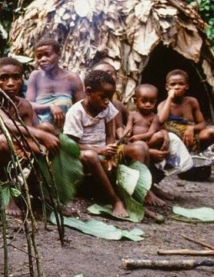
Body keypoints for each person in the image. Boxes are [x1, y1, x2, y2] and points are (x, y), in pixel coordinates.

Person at [63, 70, 165, 219]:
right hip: (85, 154)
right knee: (91, 156)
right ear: (89, 91)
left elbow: (110, 135)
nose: (106, 101)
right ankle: (115, 200)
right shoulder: (76, 112)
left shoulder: (107, 106)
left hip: (104, 151)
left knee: (140, 147)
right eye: (103, 97)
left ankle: (140, 194)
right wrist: (100, 150)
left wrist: (110, 154)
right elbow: (71, 145)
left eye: (109, 97)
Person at [0, 58, 60, 208]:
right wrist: (42, 139)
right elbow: (6, 124)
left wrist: (45, 142)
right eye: (4, 78)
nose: (11, 83)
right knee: (3, 141)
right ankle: (6, 193)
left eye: (16, 77)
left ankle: (34, 185)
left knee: (47, 128)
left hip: (12, 161)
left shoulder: (24, 105)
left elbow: (26, 141)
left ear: (22, 80)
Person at [26, 38, 85, 131]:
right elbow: (27, 106)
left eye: (47, 54)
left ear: (59, 54)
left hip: (66, 132)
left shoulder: (72, 78)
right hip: (39, 131)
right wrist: (50, 106)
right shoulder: (35, 76)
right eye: (39, 56)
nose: (43, 59)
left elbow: (82, 109)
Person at [157, 69, 214, 153]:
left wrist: (191, 128)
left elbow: (202, 123)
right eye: (173, 84)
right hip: (173, 140)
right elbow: (160, 121)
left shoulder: (192, 102)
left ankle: (196, 151)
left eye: (181, 84)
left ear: (187, 86)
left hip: (191, 138)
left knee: (212, 132)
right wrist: (169, 98)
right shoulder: (163, 105)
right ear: (167, 87)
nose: (177, 87)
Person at [124, 84, 169, 163]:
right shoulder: (132, 115)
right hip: (133, 141)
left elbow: (151, 132)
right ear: (135, 101)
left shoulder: (154, 117)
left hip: (148, 142)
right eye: (144, 101)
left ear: (156, 102)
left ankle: (144, 148)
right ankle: (139, 148)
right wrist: (126, 135)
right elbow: (128, 128)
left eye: (152, 102)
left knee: (160, 135)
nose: (148, 104)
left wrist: (139, 137)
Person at [91, 62, 128, 129]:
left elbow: (135, 126)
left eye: (109, 74)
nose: (105, 77)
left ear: (117, 79)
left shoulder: (118, 105)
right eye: (99, 75)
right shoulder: (86, 107)